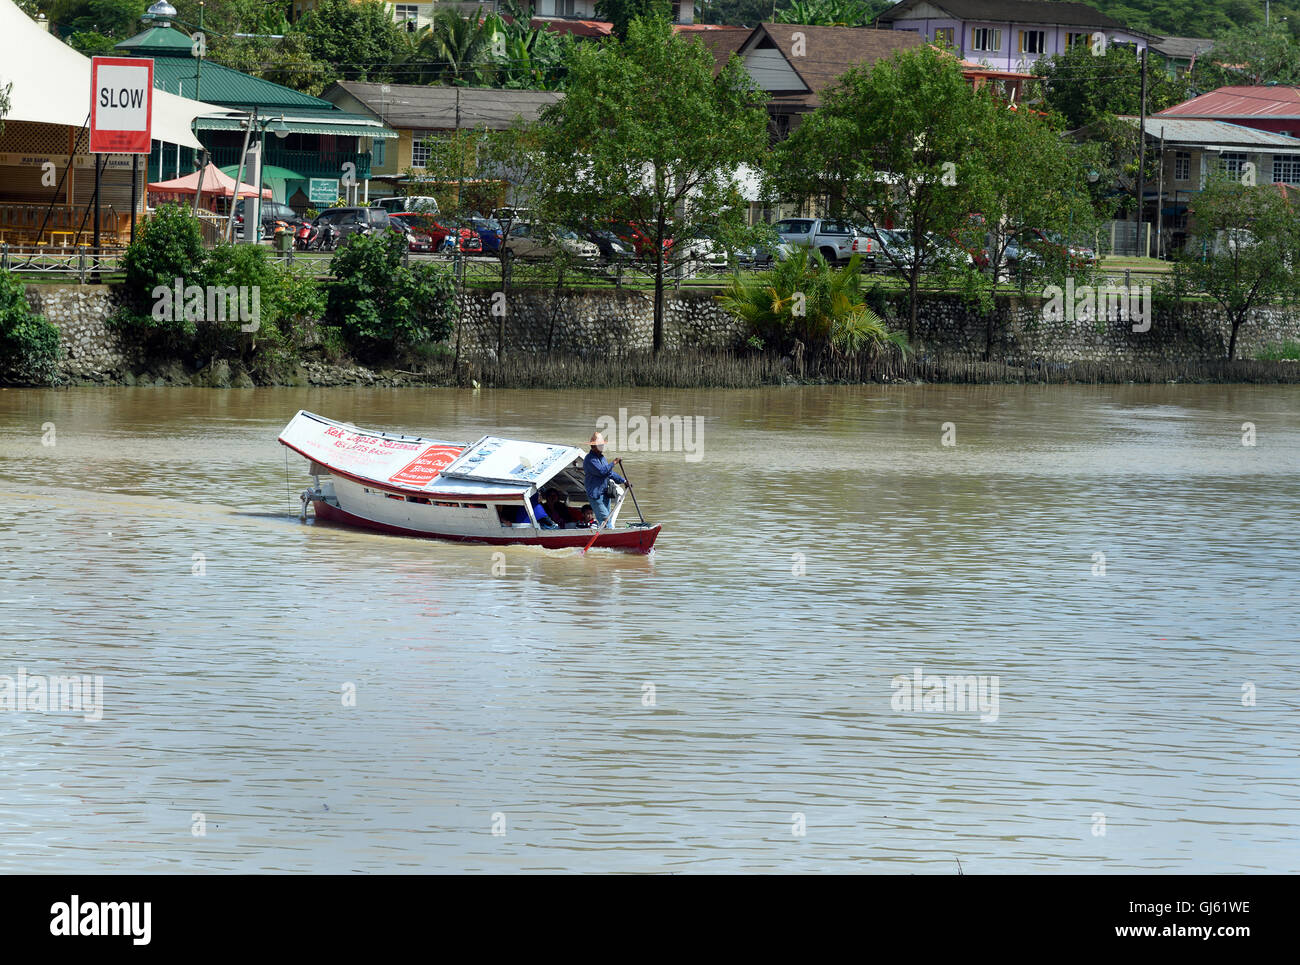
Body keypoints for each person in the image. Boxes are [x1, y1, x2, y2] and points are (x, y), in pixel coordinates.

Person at [583, 432, 628, 529]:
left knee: (608, 519)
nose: (602, 447)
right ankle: (612, 538)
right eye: (600, 445)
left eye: (602, 445)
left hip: (604, 494)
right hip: (596, 495)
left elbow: (609, 473)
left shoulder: (602, 458)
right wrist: (614, 463)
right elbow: (602, 472)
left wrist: (623, 481)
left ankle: (606, 537)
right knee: (605, 520)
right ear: (593, 447)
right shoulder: (590, 459)